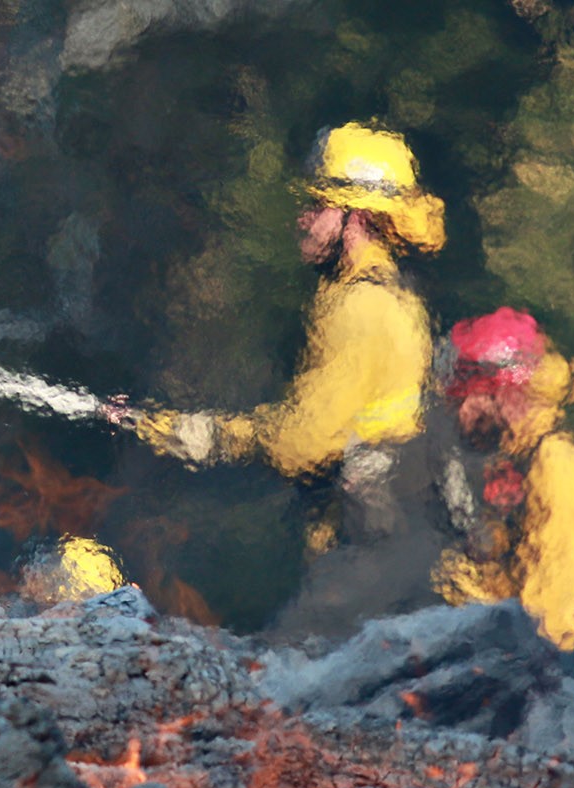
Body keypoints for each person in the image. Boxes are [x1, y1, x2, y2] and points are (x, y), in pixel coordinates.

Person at [104, 121, 447, 555]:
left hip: (363, 553)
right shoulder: (390, 295)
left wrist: (202, 434)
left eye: (317, 205)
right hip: (378, 542)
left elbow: (303, 444)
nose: (302, 218)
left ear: (356, 217)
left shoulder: (361, 306)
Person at [430, 307, 574, 647]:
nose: (456, 416)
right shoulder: (516, 458)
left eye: (461, 401)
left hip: (541, 670)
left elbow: (559, 608)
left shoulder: (557, 465)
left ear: (494, 392)